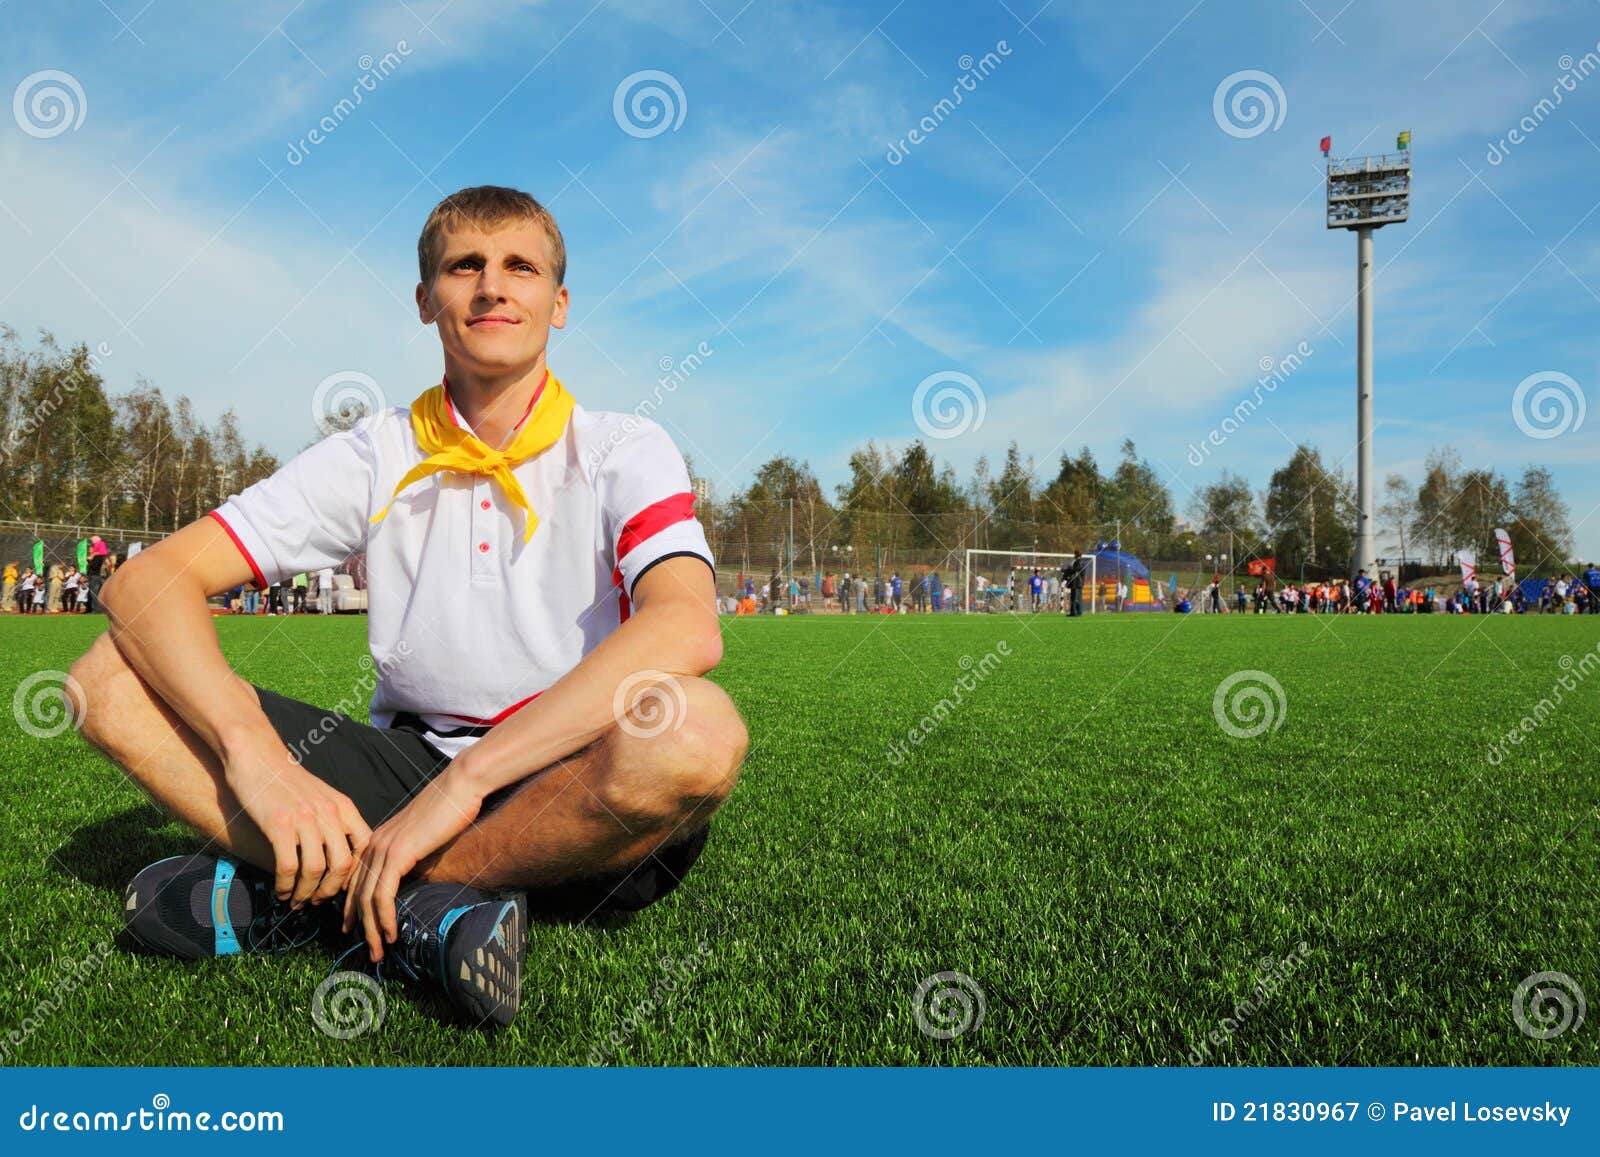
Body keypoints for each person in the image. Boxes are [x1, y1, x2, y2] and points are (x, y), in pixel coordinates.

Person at [70, 185, 746, 1028]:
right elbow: (143, 583)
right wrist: (258, 758)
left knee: (695, 731)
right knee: (105, 682)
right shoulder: (379, 448)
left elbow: (684, 623)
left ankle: (335, 897)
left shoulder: (622, 445)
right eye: (466, 266)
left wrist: (467, 784)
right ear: (427, 301)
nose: (493, 286)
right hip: (410, 764)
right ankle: (431, 913)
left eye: (519, 267)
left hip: (572, 782)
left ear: (558, 303)